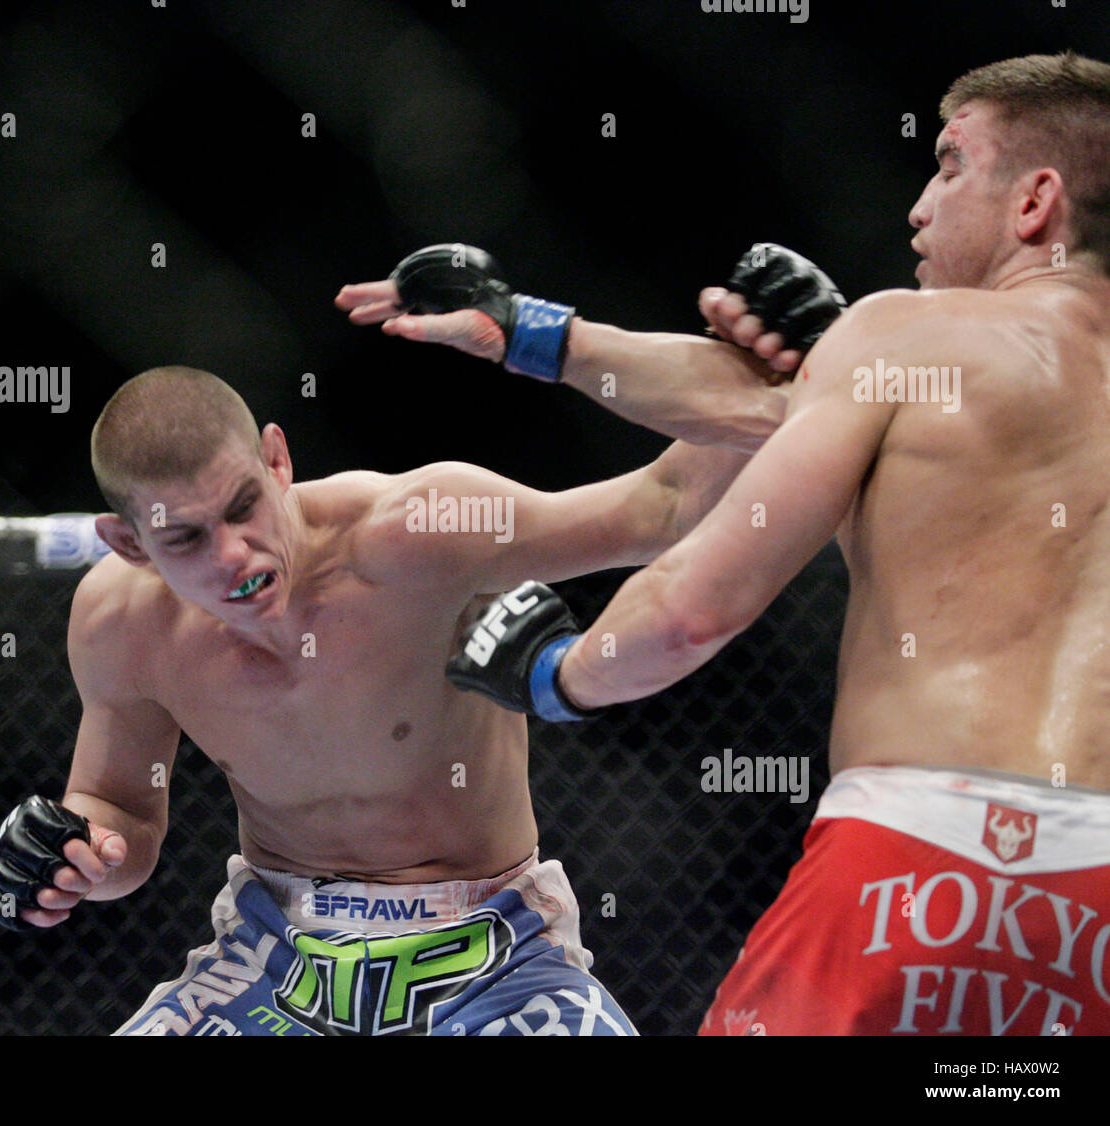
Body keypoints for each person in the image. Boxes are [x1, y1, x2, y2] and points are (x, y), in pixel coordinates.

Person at [430, 51, 1110, 1036]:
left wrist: (553, 674)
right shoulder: (894, 355)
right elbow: (763, 404)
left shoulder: (901, 338)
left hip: (910, 855)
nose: (918, 206)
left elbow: (691, 609)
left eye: (952, 164)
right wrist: (542, 334)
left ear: (1035, 201)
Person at [0, 303, 822, 1035]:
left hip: (492, 948)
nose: (235, 553)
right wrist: (76, 856)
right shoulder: (119, 622)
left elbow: (663, 504)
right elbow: (123, 815)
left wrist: (780, 368)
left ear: (278, 460)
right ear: (129, 544)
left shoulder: (418, 532)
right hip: (278, 954)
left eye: (243, 506)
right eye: (186, 539)